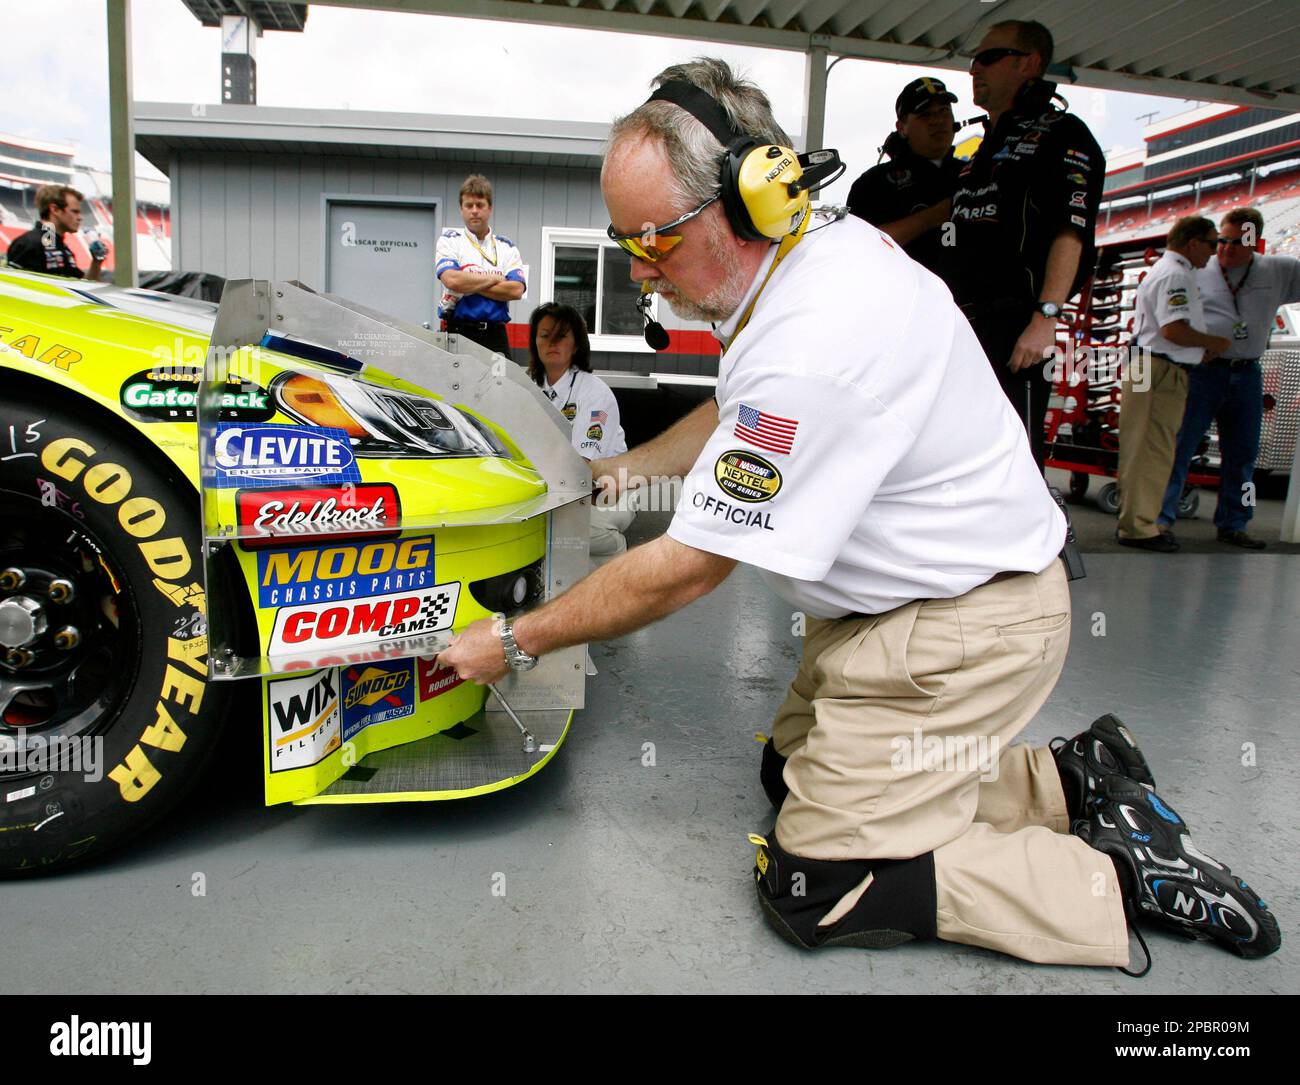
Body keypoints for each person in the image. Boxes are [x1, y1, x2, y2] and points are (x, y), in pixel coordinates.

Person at [437, 59, 1278, 970]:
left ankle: (1118, 878)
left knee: (815, 879)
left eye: (655, 241)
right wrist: (623, 470)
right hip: (906, 606)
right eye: (626, 241)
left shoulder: (813, 336)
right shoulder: (811, 252)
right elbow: (739, 408)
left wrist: (516, 640)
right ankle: (1079, 779)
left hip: (969, 624)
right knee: (784, 770)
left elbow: (690, 564)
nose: (641, 268)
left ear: (748, 200)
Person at [946, 20, 1105, 471]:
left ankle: (1027, 540)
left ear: (1030, 64)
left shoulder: (1062, 133)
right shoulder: (978, 149)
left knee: (1011, 458)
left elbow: (1070, 231)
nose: (976, 67)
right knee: (958, 452)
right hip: (963, 325)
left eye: (991, 57)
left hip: (1017, 328)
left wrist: (1045, 318)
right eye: (975, 59)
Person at [1158, 207, 1300, 549]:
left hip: (1248, 373)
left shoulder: (1280, 270)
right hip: (1203, 372)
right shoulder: (1196, 269)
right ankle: (1160, 519)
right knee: (1179, 447)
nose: (1226, 249)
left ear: (1255, 241)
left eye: (1238, 242)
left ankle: (1236, 523)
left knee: (1244, 454)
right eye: (1221, 241)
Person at [1119, 216, 1230, 552]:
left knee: (1143, 448)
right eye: (1212, 244)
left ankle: (1138, 521)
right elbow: (1173, 330)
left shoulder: (1169, 271)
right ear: (1192, 242)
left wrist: (1198, 348)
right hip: (1159, 369)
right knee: (1152, 449)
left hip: (1149, 364)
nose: (1215, 252)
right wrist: (1213, 343)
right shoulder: (1176, 274)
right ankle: (1139, 528)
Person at [527, 301, 635, 557]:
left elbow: (582, 466)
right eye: (544, 336)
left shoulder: (594, 392)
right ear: (535, 343)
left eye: (561, 336)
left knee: (565, 530)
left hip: (606, 492)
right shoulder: (524, 387)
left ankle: (615, 553)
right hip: (550, 489)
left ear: (575, 345)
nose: (552, 343)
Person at [846, 77, 963, 276]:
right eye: (925, 115)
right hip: (901, 297)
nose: (938, 121)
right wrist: (931, 217)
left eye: (944, 111)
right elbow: (858, 247)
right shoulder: (874, 183)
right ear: (902, 127)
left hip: (967, 300)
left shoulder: (974, 172)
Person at [435, 174, 525, 355]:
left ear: (489, 208)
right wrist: (493, 278)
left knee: (500, 383)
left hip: (496, 334)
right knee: (458, 384)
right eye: (469, 205)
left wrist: (468, 283)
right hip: (459, 332)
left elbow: (515, 290)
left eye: (480, 205)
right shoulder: (450, 241)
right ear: (461, 209)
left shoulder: (506, 247)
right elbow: (452, 280)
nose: (474, 210)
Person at [5, 185, 105, 280]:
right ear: (55, 209)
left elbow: (81, 285)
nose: (80, 218)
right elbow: (14, 287)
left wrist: (96, 262)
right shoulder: (29, 243)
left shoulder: (60, 246)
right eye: (75, 212)